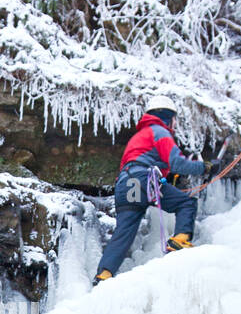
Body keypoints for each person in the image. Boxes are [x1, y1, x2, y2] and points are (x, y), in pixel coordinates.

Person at [92, 92, 220, 285]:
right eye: (174, 120)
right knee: (186, 203)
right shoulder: (160, 132)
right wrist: (204, 167)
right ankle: (180, 239)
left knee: (124, 231)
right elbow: (176, 162)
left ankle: (104, 274)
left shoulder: (138, 137)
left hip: (126, 183)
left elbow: (142, 165)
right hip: (145, 179)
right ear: (167, 117)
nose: (175, 125)